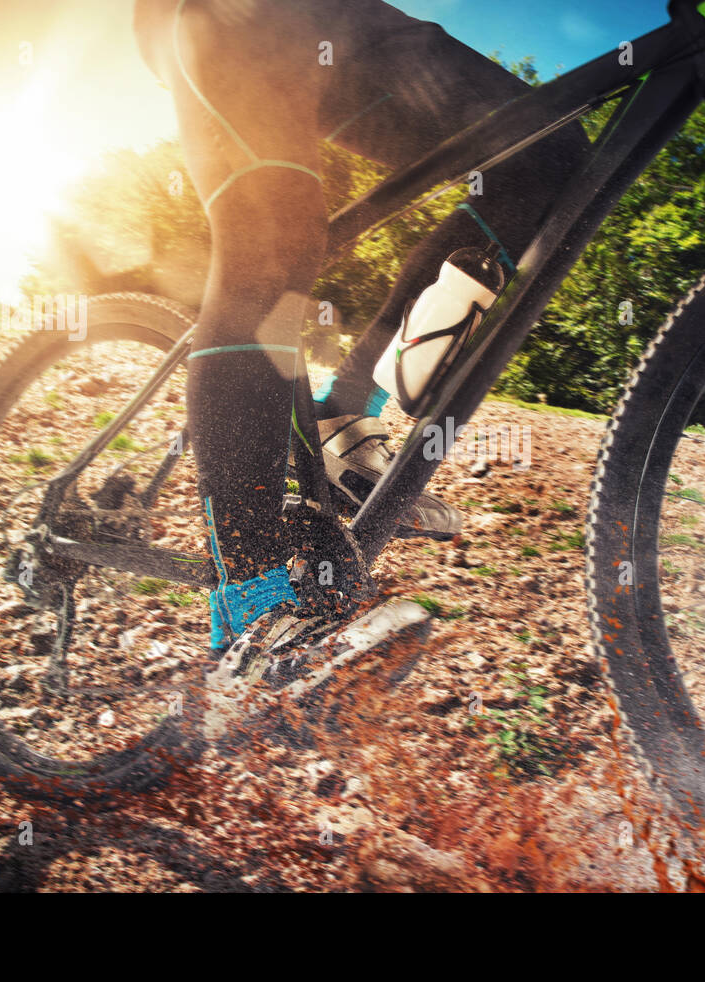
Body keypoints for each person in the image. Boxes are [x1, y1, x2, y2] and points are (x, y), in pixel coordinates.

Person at [133, 0, 588, 651]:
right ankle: (251, 607)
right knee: (275, 236)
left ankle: (343, 412)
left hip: (344, 18)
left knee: (544, 147)